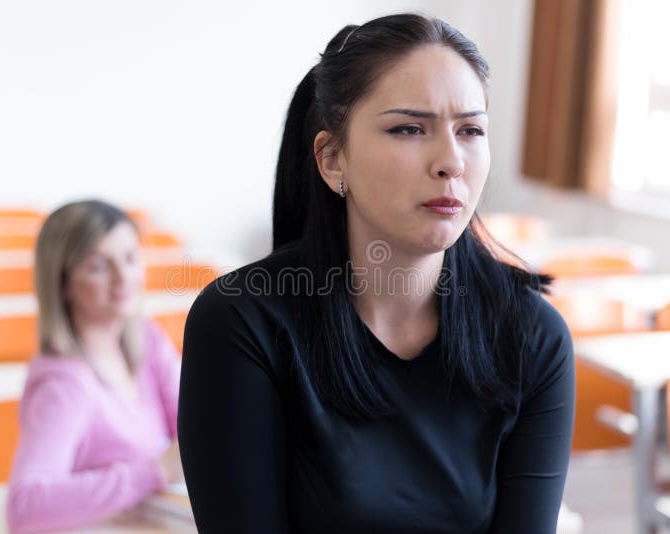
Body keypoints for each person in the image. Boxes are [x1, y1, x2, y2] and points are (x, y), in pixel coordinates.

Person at [179, 13, 575, 533]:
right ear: (332, 159)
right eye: (409, 128)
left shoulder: (532, 335)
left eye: (470, 130)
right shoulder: (241, 323)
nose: (450, 161)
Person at [6, 200, 184, 533]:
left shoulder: (147, 339)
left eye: (131, 259)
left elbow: (189, 424)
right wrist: (156, 471)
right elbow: (25, 506)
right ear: (63, 283)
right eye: (99, 266)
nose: (124, 278)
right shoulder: (64, 385)